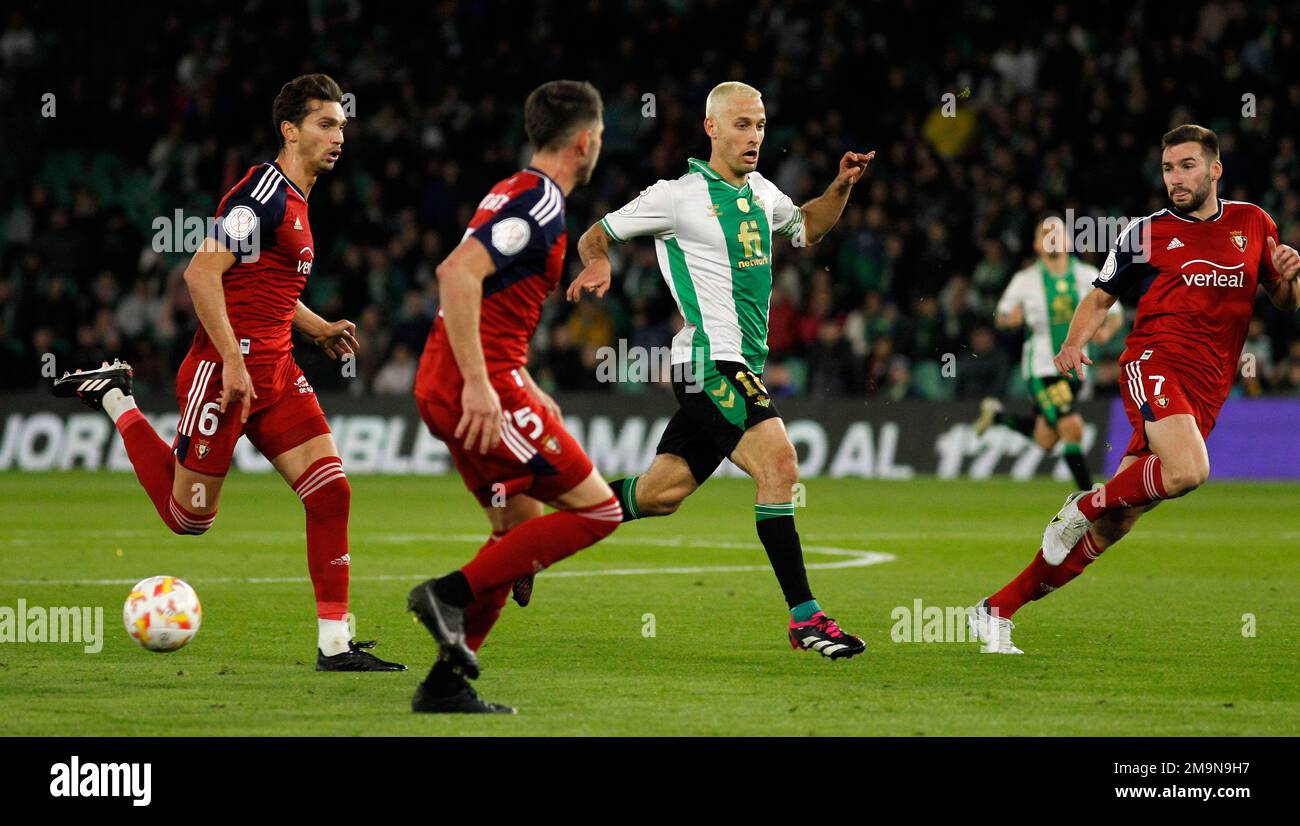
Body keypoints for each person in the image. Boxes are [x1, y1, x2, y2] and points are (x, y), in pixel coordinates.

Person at [53, 74, 404, 671]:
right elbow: (200, 273)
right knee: (188, 518)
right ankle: (116, 397)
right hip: (223, 374)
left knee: (331, 493)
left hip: (276, 371)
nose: (339, 136)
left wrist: (314, 326)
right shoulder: (261, 196)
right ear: (290, 131)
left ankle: (335, 645)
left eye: (342, 125)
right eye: (325, 124)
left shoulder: (297, 198)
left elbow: (262, 284)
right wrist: (235, 362)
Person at [568, 81, 874, 659]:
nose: (754, 135)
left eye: (759, 125)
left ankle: (539, 537)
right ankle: (806, 619)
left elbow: (806, 227)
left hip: (736, 366)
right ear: (711, 129)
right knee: (779, 463)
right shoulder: (676, 196)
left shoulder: (761, 192)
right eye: (741, 125)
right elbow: (594, 234)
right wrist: (598, 263)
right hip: (707, 363)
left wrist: (840, 186)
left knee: (662, 494)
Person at [970, 124, 1300, 654]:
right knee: (1189, 471)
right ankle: (1083, 504)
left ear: (1215, 169)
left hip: (1209, 387)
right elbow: (1100, 297)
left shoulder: (1253, 222)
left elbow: (1285, 300)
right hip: (1154, 362)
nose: (1176, 177)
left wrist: (1287, 276)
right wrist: (1074, 344)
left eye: (1187, 165)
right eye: (1168, 168)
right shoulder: (1146, 232)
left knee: (1118, 522)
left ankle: (997, 609)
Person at [407, 81, 620, 713]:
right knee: (598, 511)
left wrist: (527, 385)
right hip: (477, 388)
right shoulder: (539, 202)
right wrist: (484, 383)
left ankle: (446, 685)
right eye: (601, 136)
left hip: (459, 384)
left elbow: (495, 303)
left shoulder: (517, 190)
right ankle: (445, 594)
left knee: (518, 531)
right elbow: (457, 273)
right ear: (585, 142)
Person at [975, 215, 1122, 489]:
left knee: (1046, 438)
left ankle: (998, 417)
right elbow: (1002, 315)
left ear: (1068, 240)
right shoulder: (1025, 279)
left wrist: (1107, 330)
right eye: (1046, 233)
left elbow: (1115, 313)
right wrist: (1011, 319)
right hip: (1041, 369)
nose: (1052, 237)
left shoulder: (1088, 275)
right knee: (1071, 427)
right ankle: (1088, 498)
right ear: (1036, 245)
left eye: (1058, 232)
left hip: (1076, 371)